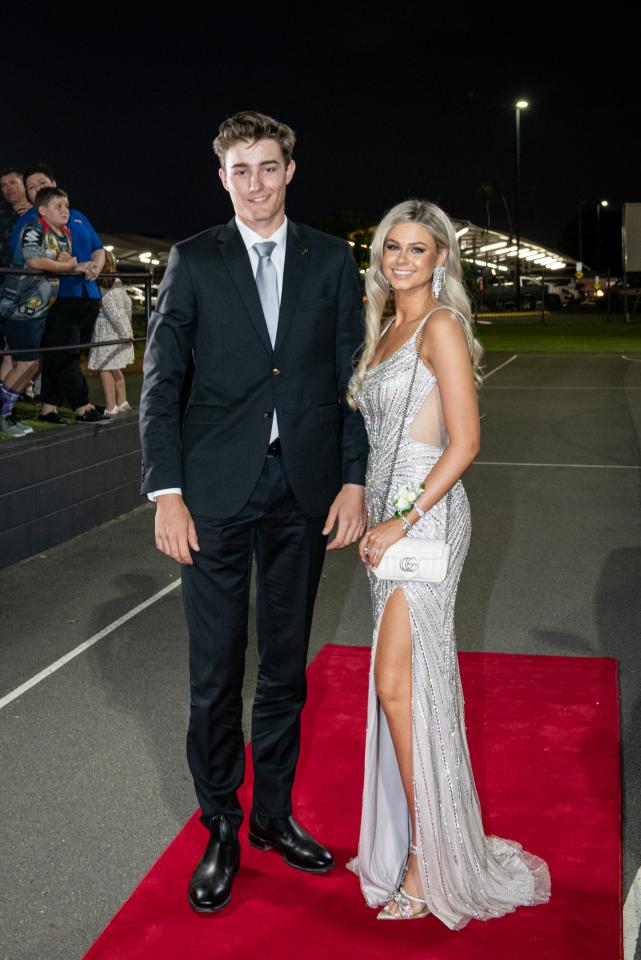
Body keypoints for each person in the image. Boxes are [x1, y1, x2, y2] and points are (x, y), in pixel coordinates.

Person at [139, 110, 369, 914]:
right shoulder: (193, 259)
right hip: (211, 496)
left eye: (268, 167)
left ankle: (272, 816)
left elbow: (350, 377)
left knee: (283, 669)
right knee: (214, 674)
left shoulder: (330, 258)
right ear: (222, 177)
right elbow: (161, 381)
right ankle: (221, 828)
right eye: (240, 170)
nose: (256, 183)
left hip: (302, 489)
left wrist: (353, 480)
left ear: (290, 171)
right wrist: (166, 491)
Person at [346, 199, 551, 927]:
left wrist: (400, 519)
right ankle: (424, 842)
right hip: (387, 522)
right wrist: (369, 510)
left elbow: (463, 442)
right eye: (391, 247)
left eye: (417, 249)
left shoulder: (438, 326)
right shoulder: (383, 328)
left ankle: (423, 861)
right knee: (405, 687)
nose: (401, 259)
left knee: (398, 685)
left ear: (440, 261)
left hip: (424, 518)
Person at [12, 164, 108, 425]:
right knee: (64, 352)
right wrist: (71, 265)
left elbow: (98, 247)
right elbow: (28, 259)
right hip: (56, 296)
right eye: (31, 187)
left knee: (67, 354)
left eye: (42, 183)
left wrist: (95, 267)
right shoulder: (29, 222)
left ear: (54, 183)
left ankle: (49, 407)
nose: (37, 189)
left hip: (88, 293)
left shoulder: (76, 216)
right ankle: (82, 406)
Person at [0, 187, 78, 437]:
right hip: (20, 308)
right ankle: (3, 415)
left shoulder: (64, 233)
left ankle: (6, 414)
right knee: (29, 364)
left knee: (23, 364)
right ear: (42, 210)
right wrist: (66, 265)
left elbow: (65, 263)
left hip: (38, 312)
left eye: (67, 206)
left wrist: (81, 266)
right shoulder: (33, 229)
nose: (65, 211)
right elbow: (35, 261)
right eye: (59, 206)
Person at [88, 249, 134, 415]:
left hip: (107, 330)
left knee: (104, 367)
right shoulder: (117, 281)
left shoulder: (102, 285)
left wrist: (124, 333)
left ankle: (111, 406)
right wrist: (127, 326)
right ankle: (122, 401)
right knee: (114, 366)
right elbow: (128, 304)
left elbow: (110, 311)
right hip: (121, 327)